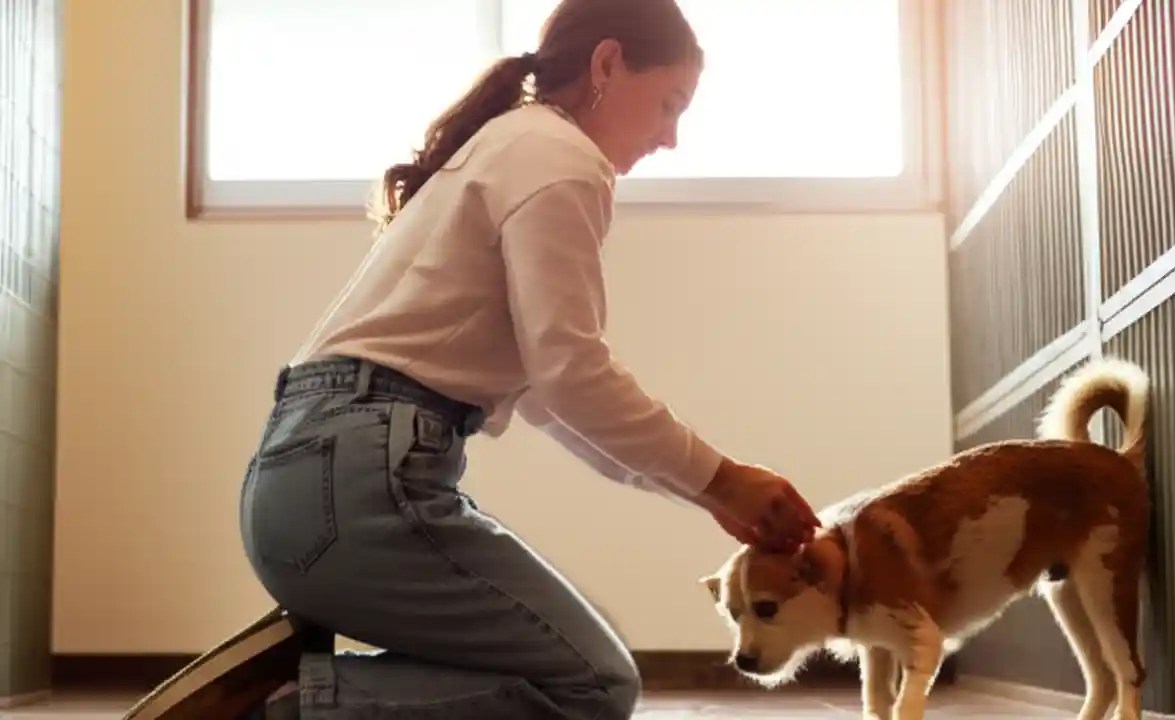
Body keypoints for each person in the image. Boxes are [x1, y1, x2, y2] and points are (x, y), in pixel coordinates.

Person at [122, 1, 820, 718]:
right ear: (607, 64)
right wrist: (725, 478)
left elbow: (553, 401)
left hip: (302, 488)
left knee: (566, 673)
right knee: (592, 684)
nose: (672, 138)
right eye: (670, 104)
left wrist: (712, 492)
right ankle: (280, 709)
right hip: (359, 485)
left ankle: (289, 702)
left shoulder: (512, 145)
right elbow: (573, 375)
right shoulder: (559, 158)